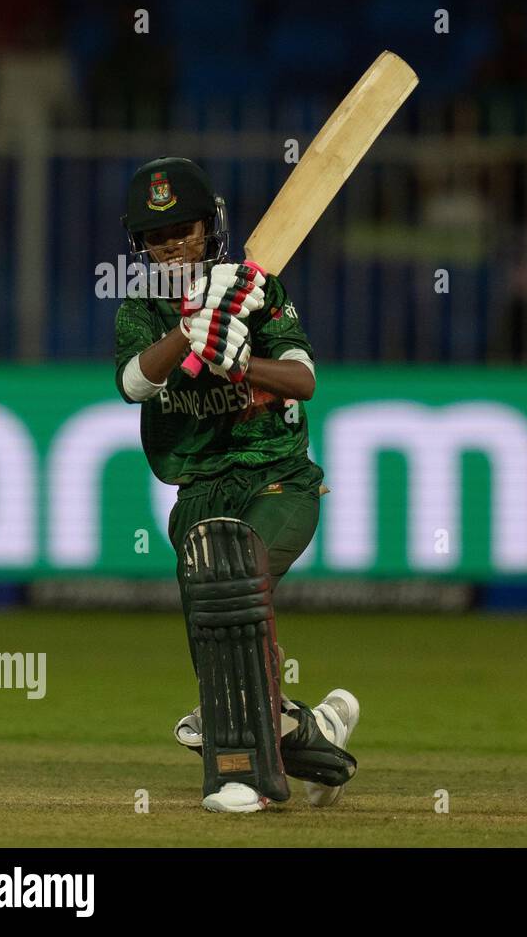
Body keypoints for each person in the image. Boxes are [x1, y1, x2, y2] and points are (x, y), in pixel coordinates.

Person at [114, 157, 359, 813]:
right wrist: (188, 332)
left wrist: (240, 357)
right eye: (156, 238)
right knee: (219, 609)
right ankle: (308, 731)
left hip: (279, 476)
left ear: (209, 228)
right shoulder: (139, 311)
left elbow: (304, 381)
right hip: (198, 489)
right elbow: (134, 382)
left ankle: (241, 776)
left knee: (238, 576)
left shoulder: (263, 293)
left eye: (183, 231)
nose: (171, 246)